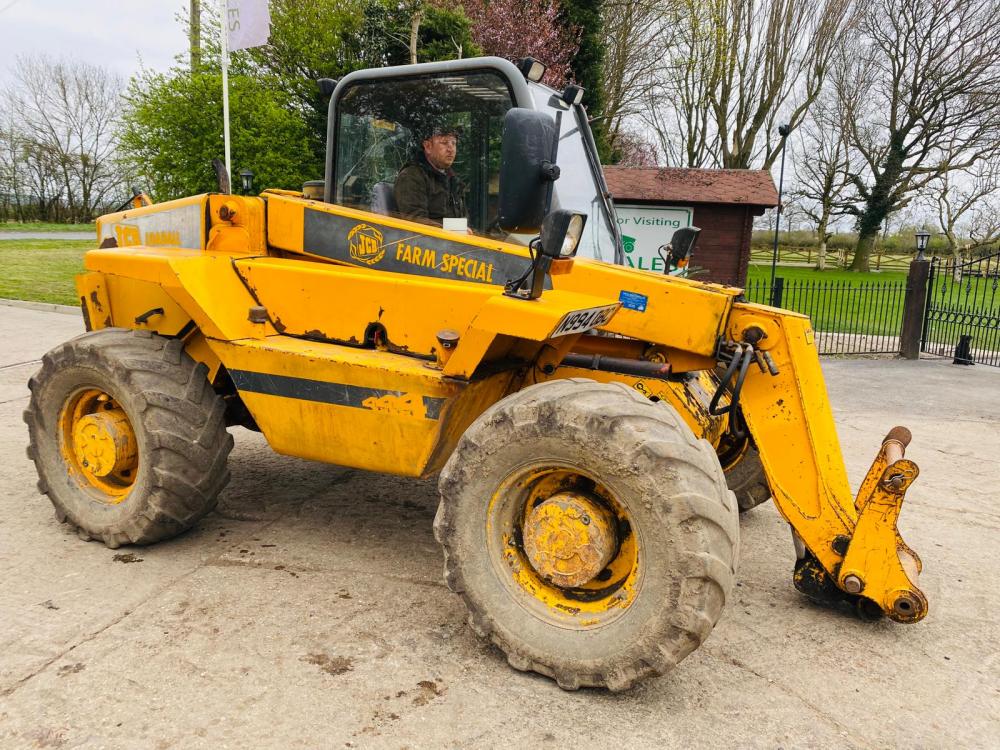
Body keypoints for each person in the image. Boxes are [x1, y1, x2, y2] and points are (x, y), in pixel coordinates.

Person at [393, 125, 467, 227]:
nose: (451, 149)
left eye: (453, 143)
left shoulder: (453, 180)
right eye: (444, 143)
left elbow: (463, 219)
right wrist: (456, 229)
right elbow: (416, 222)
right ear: (428, 146)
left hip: (452, 241)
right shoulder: (411, 176)